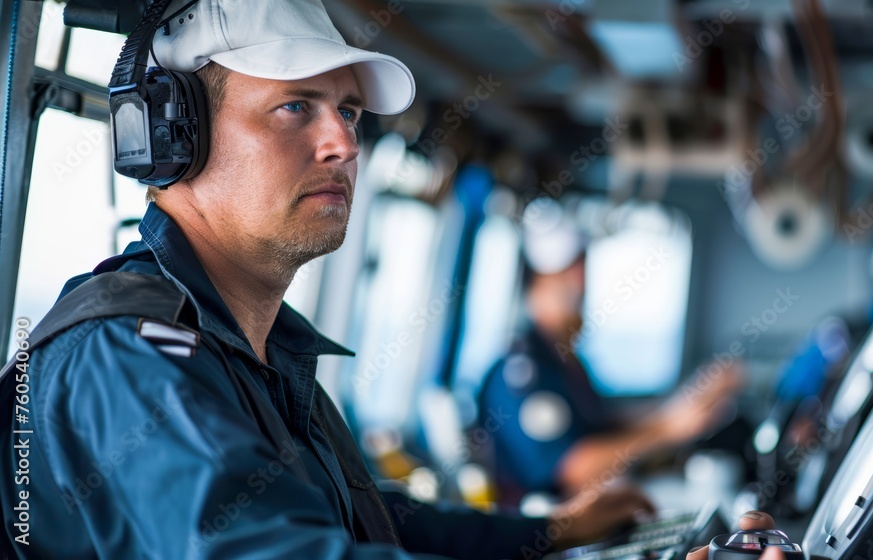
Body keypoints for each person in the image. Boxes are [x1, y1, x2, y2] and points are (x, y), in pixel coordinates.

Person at [0, 1, 655, 558]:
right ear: (175, 133)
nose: (343, 143)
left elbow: (362, 519)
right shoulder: (126, 357)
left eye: (347, 111)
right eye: (294, 106)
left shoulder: (264, 351)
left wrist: (557, 532)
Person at [478, 199, 744, 505]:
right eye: (567, 279)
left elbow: (605, 429)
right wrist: (668, 429)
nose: (580, 286)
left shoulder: (564, 362)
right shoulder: (521, 374)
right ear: (536, 286)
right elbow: (573, 469)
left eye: (581, 271)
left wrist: (687, 403)